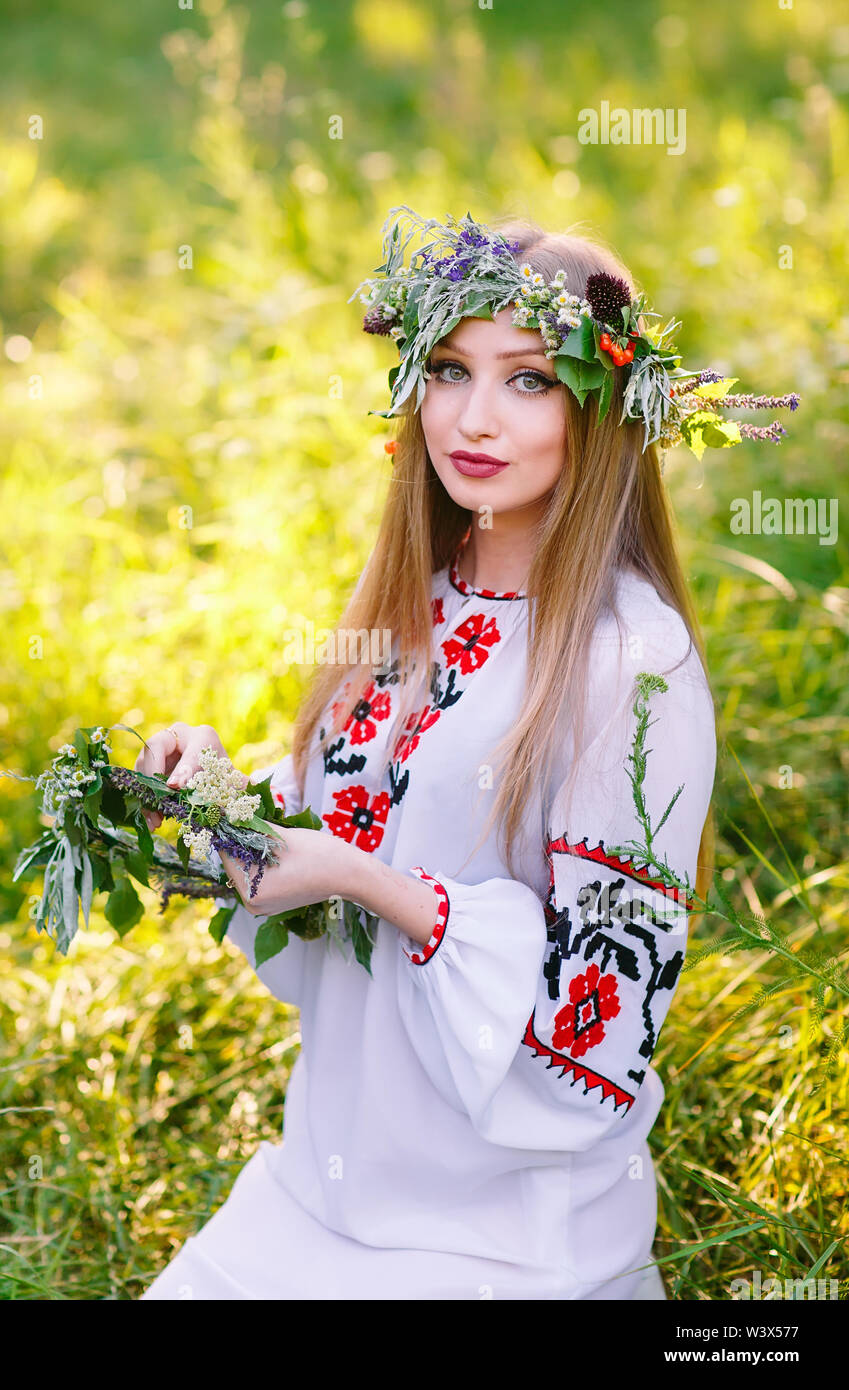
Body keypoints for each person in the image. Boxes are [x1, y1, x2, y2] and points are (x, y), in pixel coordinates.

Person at [138, 206, 798, 1300]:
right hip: (320, 1190)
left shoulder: (631, 663)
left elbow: (596, 1026)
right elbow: (339, 827)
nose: (472, 419)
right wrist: (209, 792)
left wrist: (368, 884)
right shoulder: (411, 608)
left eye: (528, 380)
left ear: (602, 407)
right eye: (447, 371)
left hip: (504, 1234)